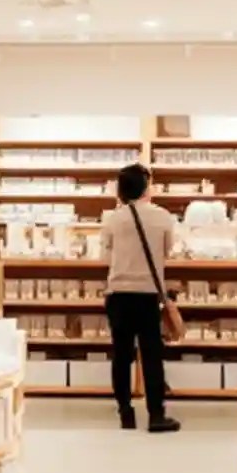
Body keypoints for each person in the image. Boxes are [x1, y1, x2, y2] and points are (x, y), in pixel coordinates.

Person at [101, 163, 181, 433]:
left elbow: (105, 256)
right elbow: (169, 251)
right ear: (146, 186)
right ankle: (157, 415)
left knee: (121, 356)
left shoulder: (112, 218)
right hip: (148, 294)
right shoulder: (163, 216)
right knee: (152, 355)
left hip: (119, 294)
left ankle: (125, 413)